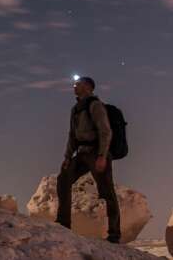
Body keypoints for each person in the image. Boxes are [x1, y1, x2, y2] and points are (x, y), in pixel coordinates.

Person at [55, 75, 121, 244]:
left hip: (96, 152)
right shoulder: (75, 109)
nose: (74, 86)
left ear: (88, 87)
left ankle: (114, 234)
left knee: (107, 191)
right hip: (82, 153)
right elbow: (72, 135)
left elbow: (105, 131)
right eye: (75, 84)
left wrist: (102, 156)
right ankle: (63, 224)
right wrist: (67, 157)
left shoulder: (95, 105)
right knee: (63, 179)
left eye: (78, 84)